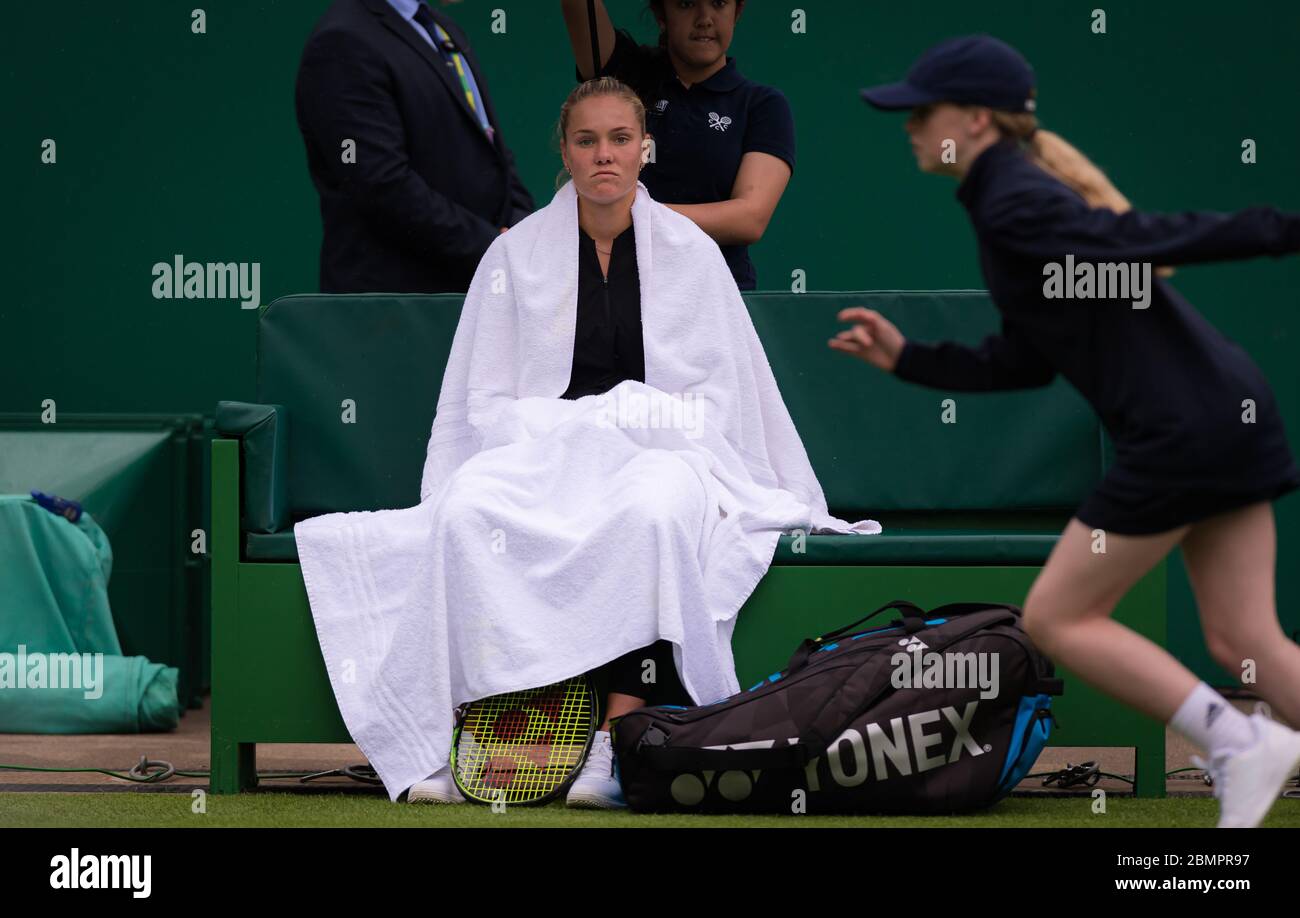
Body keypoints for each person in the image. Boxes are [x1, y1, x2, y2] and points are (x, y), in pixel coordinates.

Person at [836, 34, 1300, 828]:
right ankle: (1245, 744)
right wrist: (909, 358)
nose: (910, 126)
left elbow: (1137, 242)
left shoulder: (1015, 198)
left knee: (1056, 619)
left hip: (1182, 432)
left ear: (975, 119)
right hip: (1223, 415)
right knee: (1245, 637)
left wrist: (1276, 227)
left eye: (923, 111)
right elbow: (1023, 359)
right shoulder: (1005, 200)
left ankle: (1233, 742)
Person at [295, 0, 535, 293]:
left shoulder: (442, 27)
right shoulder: (342, 40)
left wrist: (521, 233)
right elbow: (382, 186)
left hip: (472, 301)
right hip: (394, 316)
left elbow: (492, 150)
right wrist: (494, 248)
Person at [559, 0, 793, 291]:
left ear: (737, 12)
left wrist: (630, 214)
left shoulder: (762, 104)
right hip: (621, 289)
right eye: (686, 3)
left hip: (720, 296)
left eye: (719, 3)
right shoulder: (623, 78)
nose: (705, 18)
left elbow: (749, 218)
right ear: (661, 14)